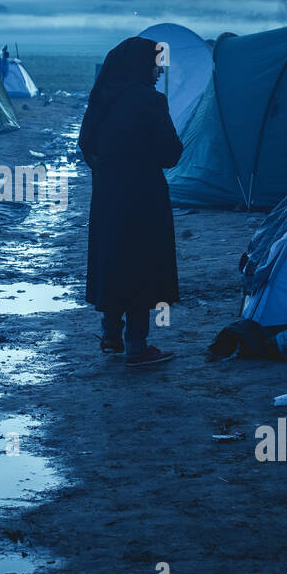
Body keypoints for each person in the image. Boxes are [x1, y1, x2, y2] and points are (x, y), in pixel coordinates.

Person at [78, 36, 183, 366]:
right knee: (142, 265)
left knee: (113, 260)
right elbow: (171, 154)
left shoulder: (102, 99)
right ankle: (137, 346)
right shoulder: (150, 102)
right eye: (156, 65)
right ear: (141, 66)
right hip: (144, 196)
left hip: (108, 195)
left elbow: (86, 144)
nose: (158, 72)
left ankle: (111, 335)